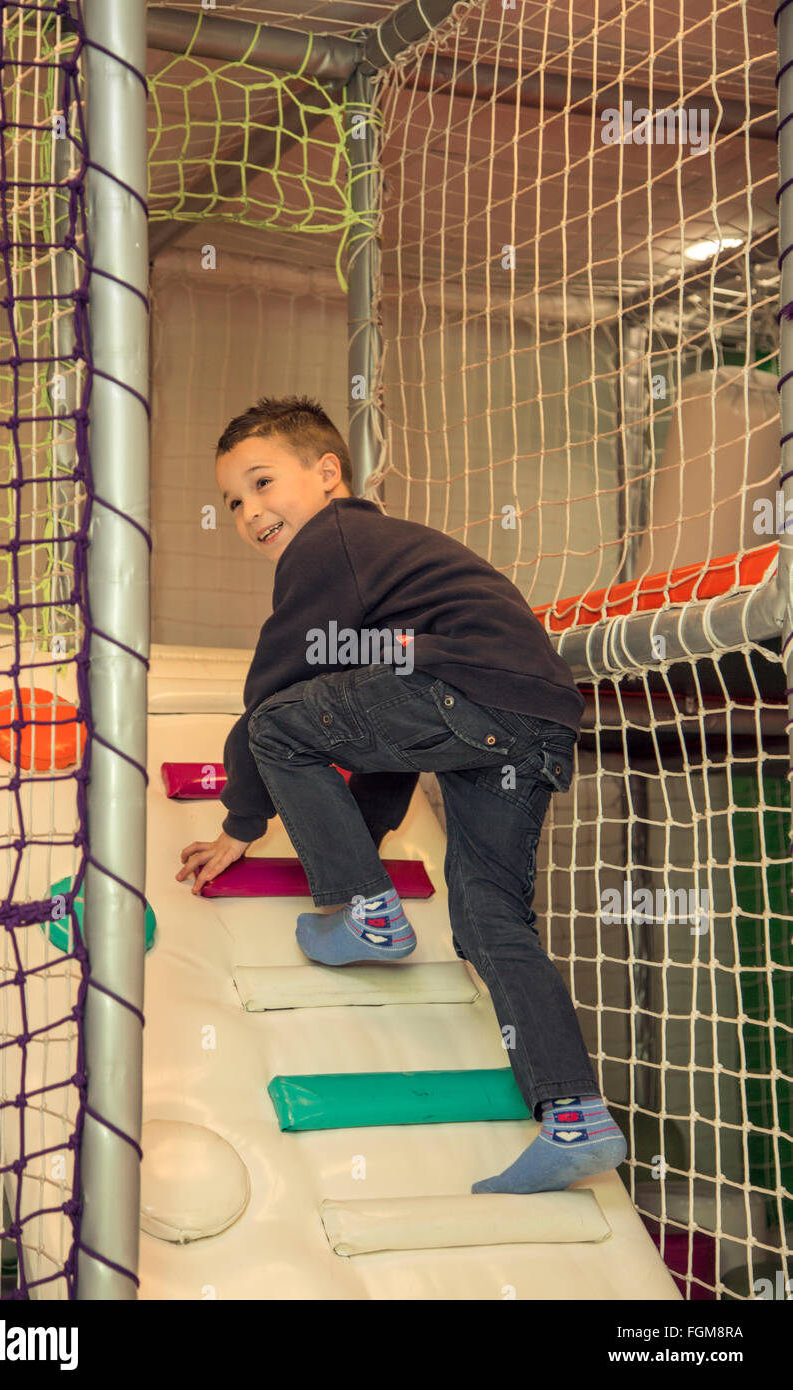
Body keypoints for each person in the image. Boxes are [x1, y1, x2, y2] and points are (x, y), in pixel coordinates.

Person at [176, 395, 627, 1194]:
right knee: (490, 917)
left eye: (262, 482)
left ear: (327, 475)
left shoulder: (331, 542)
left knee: (278, 725)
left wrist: (242, 821)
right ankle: (577, 1117)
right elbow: (385, 733)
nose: (249, 512)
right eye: (234, 502)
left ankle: (366, 916)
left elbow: (275, 691)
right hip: (534, 718)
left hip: (467, 696)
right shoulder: (383, 558)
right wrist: (370, 839)